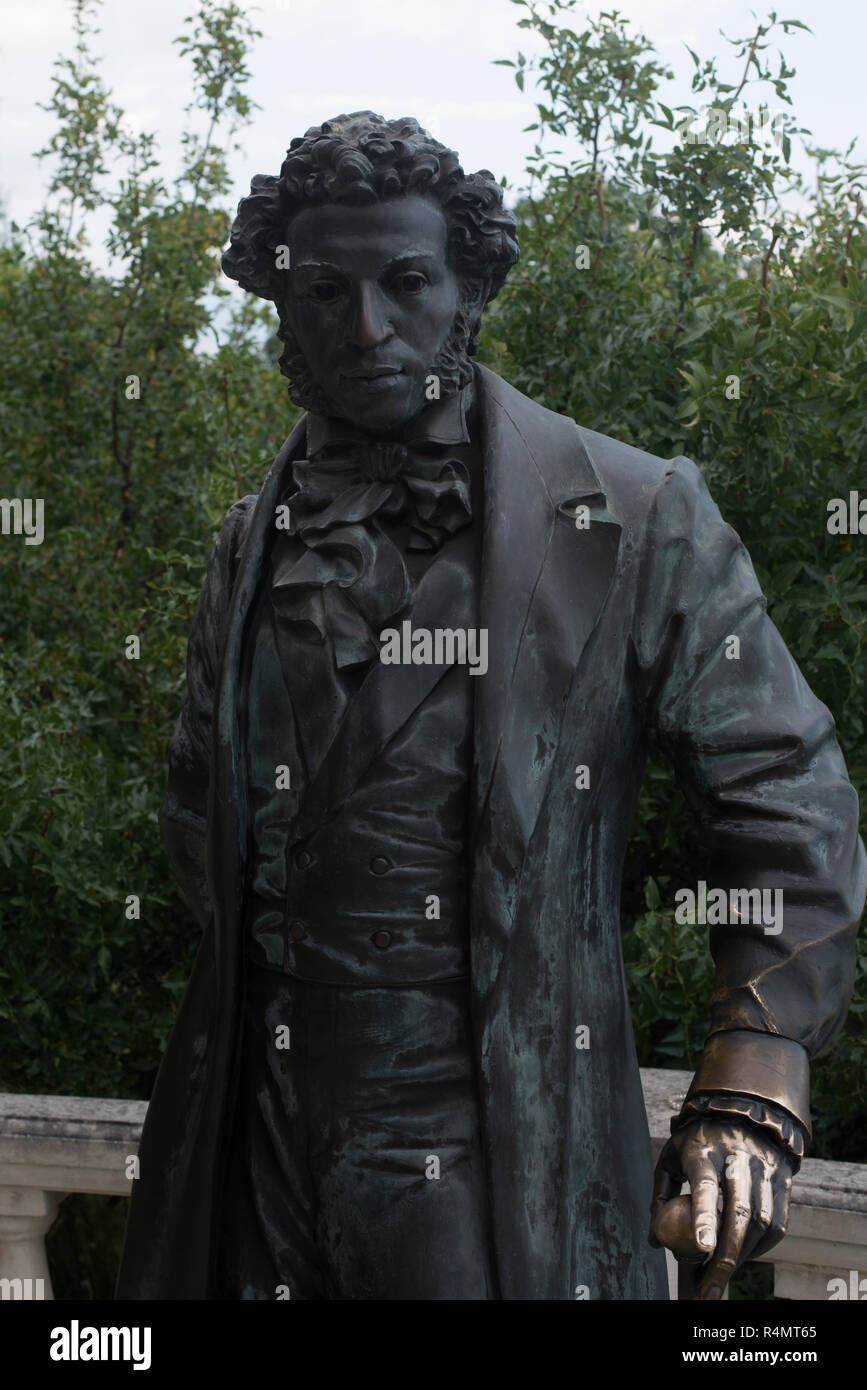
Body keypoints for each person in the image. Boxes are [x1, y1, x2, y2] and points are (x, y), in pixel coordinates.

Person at [116, 112, 865, 1301]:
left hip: (492, 1138)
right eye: (324, 289)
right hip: (250, 1130)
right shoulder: (244, 544)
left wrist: (755, 1069)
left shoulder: (633, 515)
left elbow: (787, 796)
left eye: (406, 281)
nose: (366, 327)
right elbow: (200, 826)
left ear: (468, 283)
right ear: (281, 302)